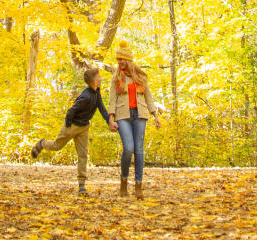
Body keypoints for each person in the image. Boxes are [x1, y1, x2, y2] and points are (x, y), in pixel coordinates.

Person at [31, 67, 111, 195]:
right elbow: (71, 111)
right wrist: (68, 126)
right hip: (72, 125)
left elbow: (101, 107)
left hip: (84, 127)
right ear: (94, 81)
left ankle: (81, 185)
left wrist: (109, 121)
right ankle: (42, 143)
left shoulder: (97, 91)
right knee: (57, 146)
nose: (101, 78)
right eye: (99, 77)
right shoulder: (85, 96)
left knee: (83, 155)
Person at [107, 41, 161, 199]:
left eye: (122, 59)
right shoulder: (116, 77)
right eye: (118, 60)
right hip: (123, 115)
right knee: (128, 148)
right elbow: (112, 99)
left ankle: (138, 185)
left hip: (140, 114)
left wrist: (155, 115)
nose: (120, 62)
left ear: (129, 60)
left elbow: (149, 97)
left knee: (138, 150)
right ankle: (123, 180)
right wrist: (111, 118)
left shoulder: (141, 76)